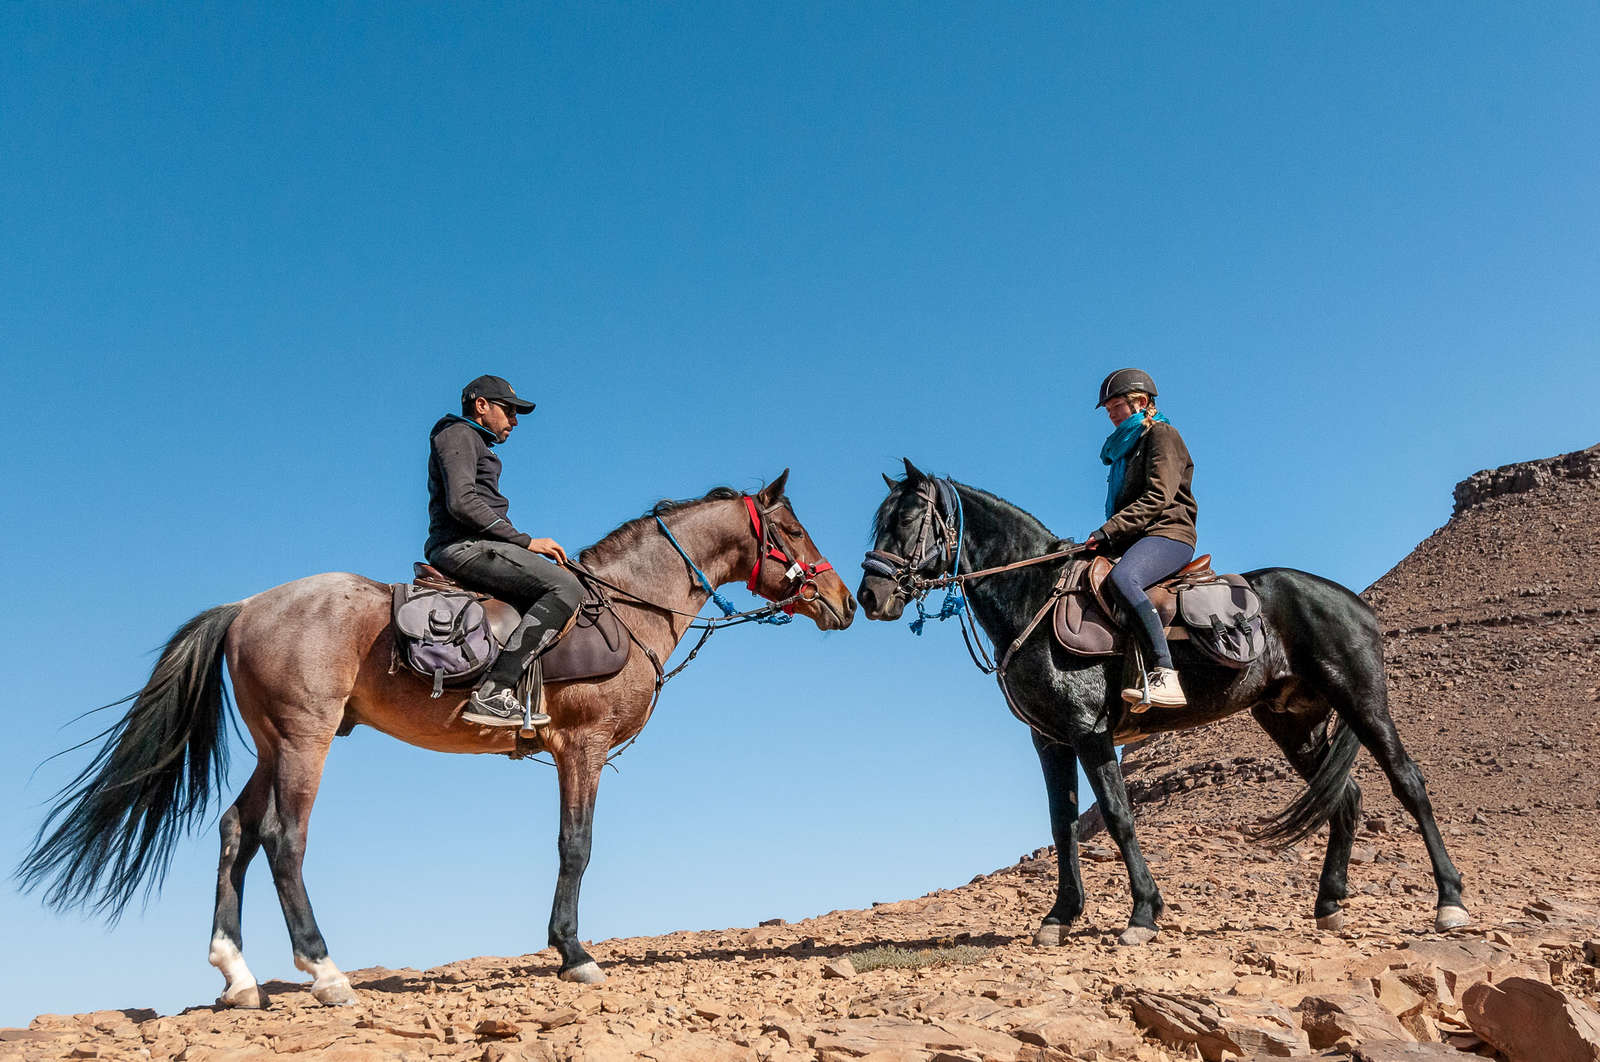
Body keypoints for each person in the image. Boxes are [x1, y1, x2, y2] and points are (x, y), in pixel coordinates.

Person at [425, 374, 583, 727]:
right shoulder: (458, 434)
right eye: (509, 411)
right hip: (462, 546)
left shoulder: (476, 441)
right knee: (567, 587)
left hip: (480, 543)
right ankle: (493, 692)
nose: (514, 421)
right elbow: (462, 502)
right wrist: (526, 542)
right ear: (481, 405)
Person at [1083, 368, 1198, 710]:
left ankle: (1165, 670)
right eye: (1108, 410)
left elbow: (1158, 496)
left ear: (1142, 402)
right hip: (1133, 538)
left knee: (1123, 578)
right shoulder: (1122, 450)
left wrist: (1108, 531)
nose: (1112, 414)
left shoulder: (1162, 435)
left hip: (1168, 532)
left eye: (1116, 405)